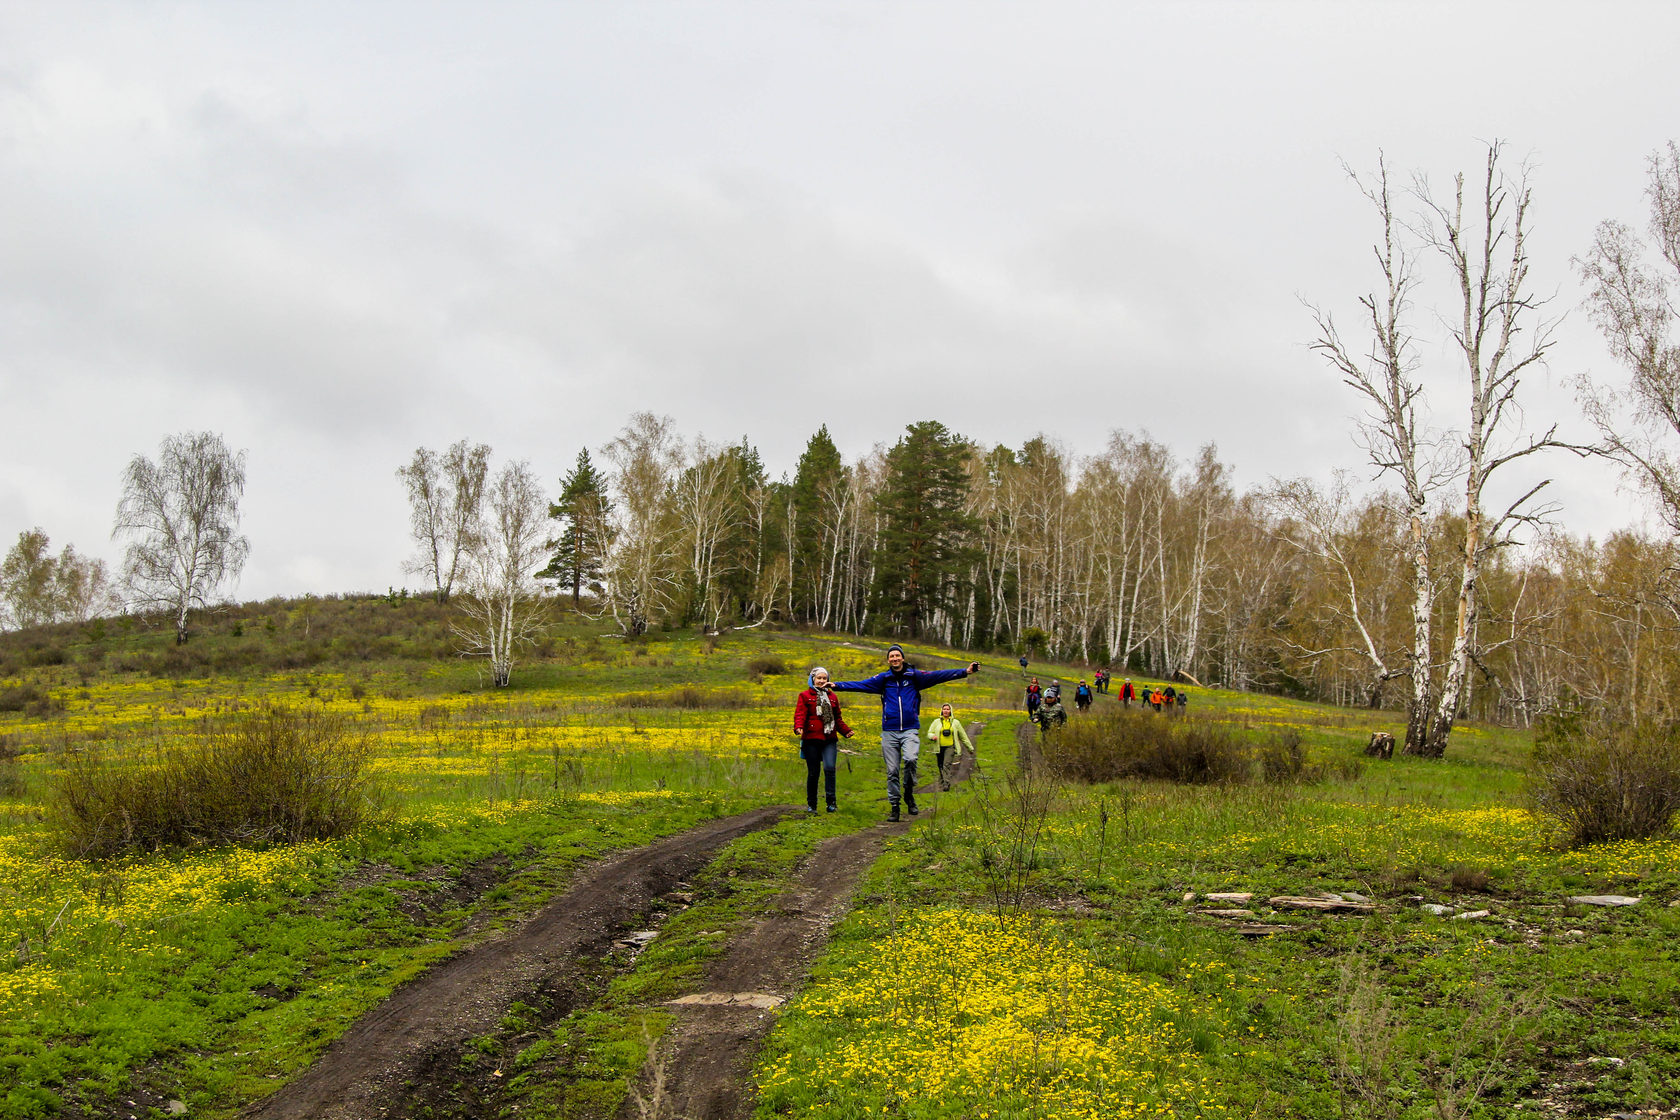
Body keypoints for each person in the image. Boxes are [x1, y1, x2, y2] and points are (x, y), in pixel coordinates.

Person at [831, 644, 979, 821]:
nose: (894, 658)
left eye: (897, 656)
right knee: (892, 771)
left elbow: (938, 675)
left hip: (909, 729)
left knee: (910, 759)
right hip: (889, 731)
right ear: (888, 660)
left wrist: (965, 671)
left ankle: (909, 794)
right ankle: (895, 806)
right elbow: (860, 685)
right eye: (891, 656)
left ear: (902, 658)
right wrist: (837, 685)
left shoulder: (915, 676)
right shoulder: (883, 679)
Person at [793, 666, 853, 813]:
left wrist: (846, 731)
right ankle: (812, 805)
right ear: (812, 679)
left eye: (824, 678)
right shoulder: (805, 696)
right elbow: (800, 713)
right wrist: (798, 727)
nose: (821, 681)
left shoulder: (832, 697)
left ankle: (831, 803)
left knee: (829, 768)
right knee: (813, 772)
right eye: (818, 678)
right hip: (811, 738)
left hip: (829, 738)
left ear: (828, 680)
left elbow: (837, 718)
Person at [925, 702, 974, 790]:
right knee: (940, 765)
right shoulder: (936, 722)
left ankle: (946, 784)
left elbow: (963, 736)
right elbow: (929, 733)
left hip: (950, 747)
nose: (946, 711)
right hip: (939, 747)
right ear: (941, 711)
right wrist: (933, 737)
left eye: (948, 709)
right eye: (944, 709)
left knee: (946, 765)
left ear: (951, 711)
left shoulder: (956, 723)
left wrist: (970, 748)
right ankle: (942, 781)